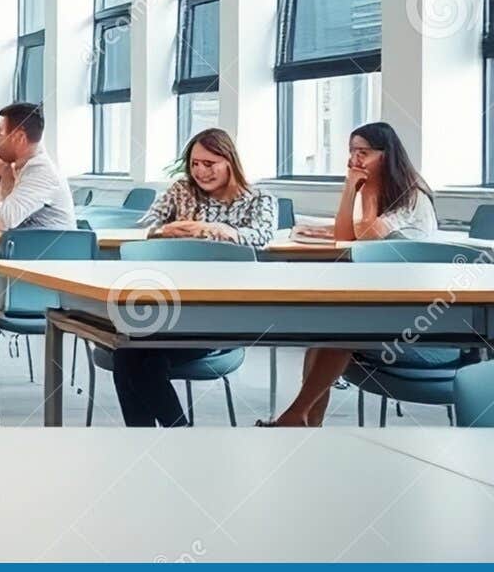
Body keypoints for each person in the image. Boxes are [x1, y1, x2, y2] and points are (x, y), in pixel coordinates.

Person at [264, 122, 440, 427]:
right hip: (389, 307)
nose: (354, 160)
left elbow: (368, 237)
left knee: (344, 330)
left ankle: (297, 415)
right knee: (327, 330)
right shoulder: (375, 189)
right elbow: (344, 237)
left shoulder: (412, 196)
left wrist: (368, 191)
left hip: (421, 322)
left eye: (363, 152)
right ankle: (306, 419)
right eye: (351, 152)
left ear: (387, 155)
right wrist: (349, 189)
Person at [112, 128, 276, 428]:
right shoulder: (181, 191)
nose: (200, 171)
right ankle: (163, 437)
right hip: (173, 310)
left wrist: (220, 231)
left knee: (138, 361)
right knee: (128, 354)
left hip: (221, 317)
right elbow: (143, 226)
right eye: (195, 163)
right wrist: (164, 230)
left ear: (230, 162)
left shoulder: (259, 200)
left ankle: (168, 437)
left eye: (209, 163)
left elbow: (263, 236)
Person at [0, 103, 75, 231]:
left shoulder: (40, 172)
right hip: (30, 243)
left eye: (0, 132)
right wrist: (6, 176)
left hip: (49, 244)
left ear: (20, 137)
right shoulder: (19, 170)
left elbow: (3, 220)